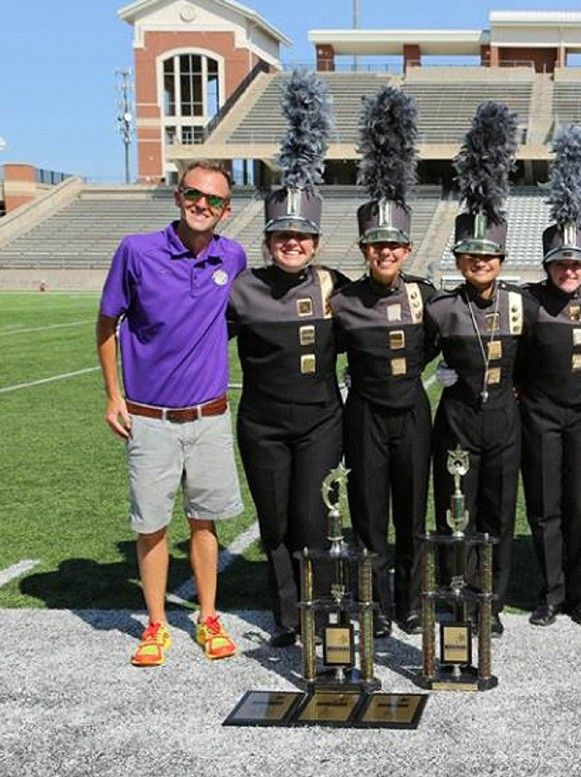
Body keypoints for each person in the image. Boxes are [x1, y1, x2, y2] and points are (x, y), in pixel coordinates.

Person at [97, 160, 246, 666]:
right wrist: (113, 395)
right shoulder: (136, 251)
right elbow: (106, 324)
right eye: (194, 194)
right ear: (178, 196)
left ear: (227, 209)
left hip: (209, 417)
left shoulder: (233, 256)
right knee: (152, 525)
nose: (203, 205)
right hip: (150, 418)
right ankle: (157, 624)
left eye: (214, 199)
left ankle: (208, 617)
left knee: (205, 523)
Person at [227, 70, 344, 648]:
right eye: (281, 235)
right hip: (262, 424)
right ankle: (287, 614)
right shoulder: (242, 288)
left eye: (302, 235)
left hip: (321, 422)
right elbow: (198, 341)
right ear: (268, 239)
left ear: (316, 242)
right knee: (274, 523)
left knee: (312, 519)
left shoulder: (333, 284)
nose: (292, 242)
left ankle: (319, 607)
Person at [426, 102, 536, 637]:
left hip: (504, 423)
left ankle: (491, 599)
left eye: (489, 256)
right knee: (456, 511)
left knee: (499, 513)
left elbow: (538, 359)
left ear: (501, 260)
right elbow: (414, 357)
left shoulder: (520, 304)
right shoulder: (442, 308)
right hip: (457, 420)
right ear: (458, 260)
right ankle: (458, 594)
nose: (480, 263)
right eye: (471, 256)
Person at [331, 86, 437, 638]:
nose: (386, 253)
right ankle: (372, 603)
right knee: (369, 514)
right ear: (363, 249)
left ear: (408, 249)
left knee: (412, 514)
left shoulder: (424, 294)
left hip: (412, 411)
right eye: (376, 246)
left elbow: (443, 340)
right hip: (365, 415)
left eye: (394, 246)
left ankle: (411, 602)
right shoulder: (342, 299)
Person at [518, 124, 581, 627]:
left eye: (577, 263)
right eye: (561, 263)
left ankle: (580, 593)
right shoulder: (527, 301)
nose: (569, 270)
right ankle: (550, 593)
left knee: (579, 505)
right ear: (547, 264)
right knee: (545, 506)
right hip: (540, 414)